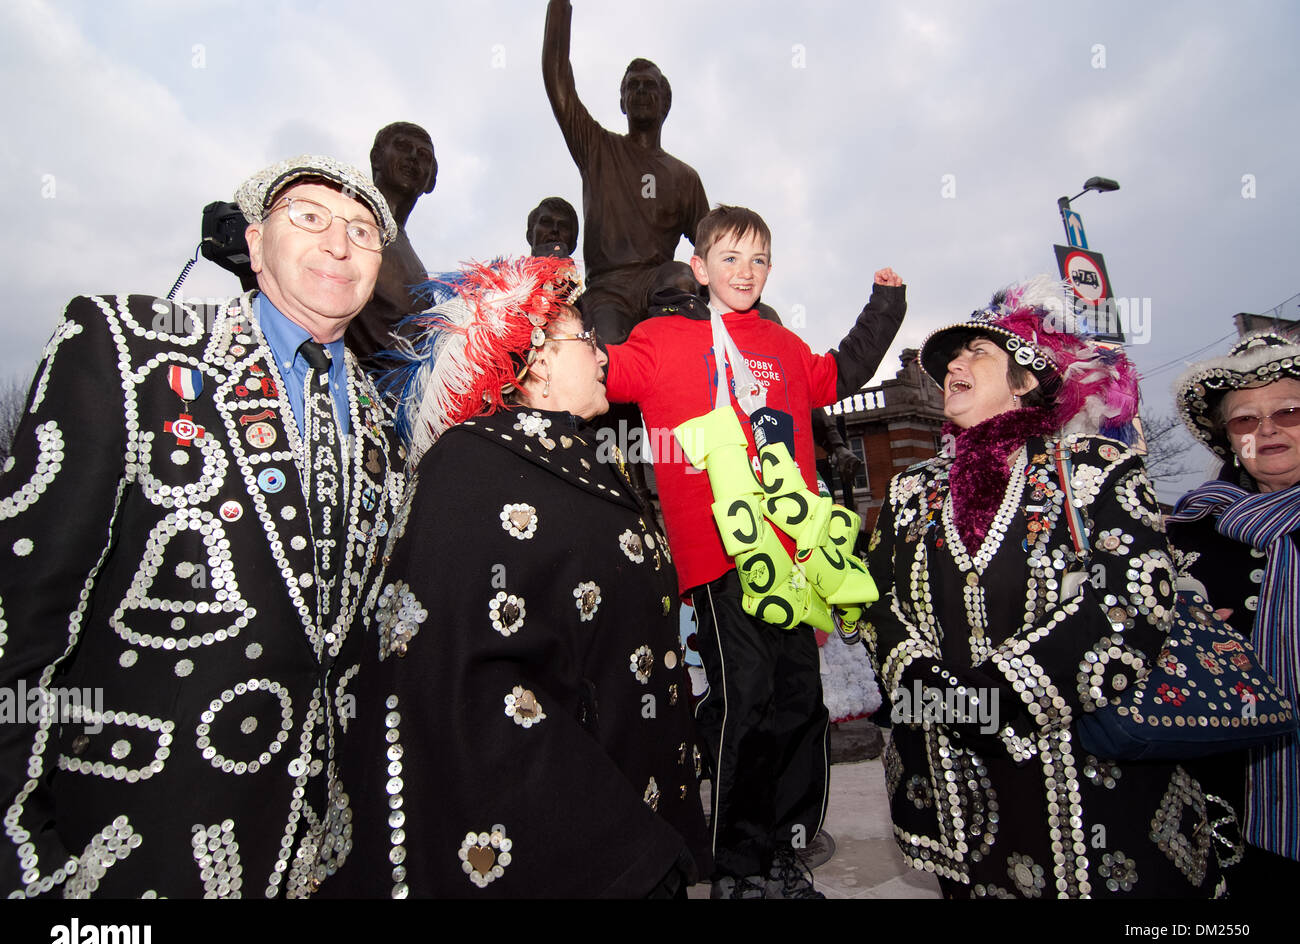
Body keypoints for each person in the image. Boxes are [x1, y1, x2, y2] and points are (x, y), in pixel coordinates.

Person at [0, 154, 406, 898]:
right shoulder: (131, 348)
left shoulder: (388, 431)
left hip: (318, 861)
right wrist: (25, 858)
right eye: (309, 218)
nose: (339, 245)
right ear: (254, 244)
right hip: (128, 847)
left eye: (362, 231)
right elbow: (22, 613)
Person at [327, 257, 709, 897]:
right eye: (584, 339)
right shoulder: (469, 469)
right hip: (571, 834)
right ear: (533, 363)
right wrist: (601, 820)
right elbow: (456, 676)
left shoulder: (587, 460)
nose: (601, 353)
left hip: (639, 810)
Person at [866, 275, 1226, 898]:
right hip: (956, 775)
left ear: (1027, 379)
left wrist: (998, 697)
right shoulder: (910, 489)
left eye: (979, 351)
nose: (955, 362)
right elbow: (877, 601)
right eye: (951, 356)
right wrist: (919, 679)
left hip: (1091, 779)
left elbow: (1130, 603)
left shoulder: (1096, 470)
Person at [604, 204, 906, 897]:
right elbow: (599, 372)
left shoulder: (780, 343)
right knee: (747, 699)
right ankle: (738, 866)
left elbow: (839, 375)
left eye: (759, 259)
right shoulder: (659, 340)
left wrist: (885, 308)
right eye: (730, 258)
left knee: (800, 704)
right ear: (700, 268)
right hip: (720, 558)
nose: (746, 272)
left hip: (795, 561)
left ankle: (787, 849)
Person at [1168, 330, 1300, 895]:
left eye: (1289, 411)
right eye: (1244, 420)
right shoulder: (1183, 531)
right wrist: (1180, 646)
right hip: (1225, 797)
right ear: (1226, 440)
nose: (1266, 429)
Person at [542, 0, 708, 345]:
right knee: (606, 345)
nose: (642, 92)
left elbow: (712, 246)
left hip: (659, 282)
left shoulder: (684, 177)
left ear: (666, 101)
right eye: (633, 86)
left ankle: (680, 375)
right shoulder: (597, 148)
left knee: (682, 278)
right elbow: (557, 77)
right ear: (622, 102)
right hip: (608, 287)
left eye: (650, 86)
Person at [349, 122, 438, 376]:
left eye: (424, 156)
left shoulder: (415, 264)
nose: (412, 157)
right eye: (402, 146)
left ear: (431, 180)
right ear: (376, 157)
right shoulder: (344, 226)